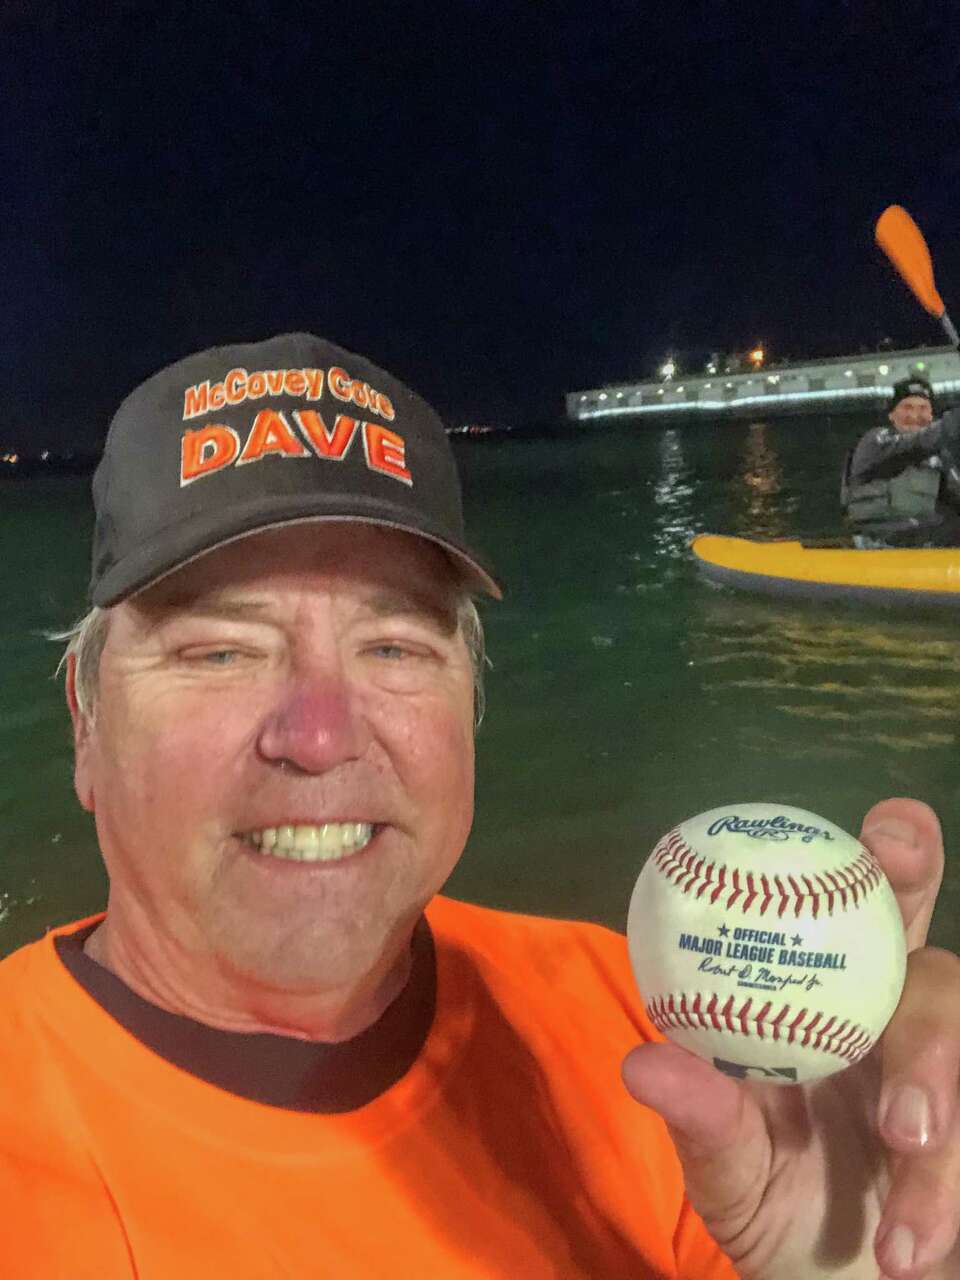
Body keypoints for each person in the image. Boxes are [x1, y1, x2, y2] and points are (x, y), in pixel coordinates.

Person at [1, 333, 959, 1279]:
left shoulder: (665, 1043)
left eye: (395, 647)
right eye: (219, 651)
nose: (321, 735)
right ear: (87, 724)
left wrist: (853, 1263)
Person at [843, 375, 960, 545]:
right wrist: (951, 424)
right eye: (907, 407)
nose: (915, 415)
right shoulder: (875, 441)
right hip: (878, 547)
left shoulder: (941, 458)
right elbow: (917, 444)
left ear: (931, 415)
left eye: (923, 408)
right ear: (891, 415)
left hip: (925, 547)